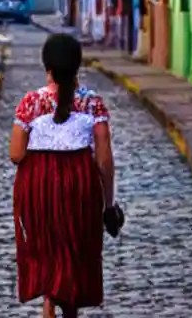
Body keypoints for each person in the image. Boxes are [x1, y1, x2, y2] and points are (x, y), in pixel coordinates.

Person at [10, 33, 117, 318]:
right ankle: (67, 307)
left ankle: (49, 301)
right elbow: (104, 160)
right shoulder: (93, 104)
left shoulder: (30, 103)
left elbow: (16, 154)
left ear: (47, 67)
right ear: (77, 66)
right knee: (74, 250)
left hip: (39, 189)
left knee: (48, 249)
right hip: (80, 187)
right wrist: (109, 204)